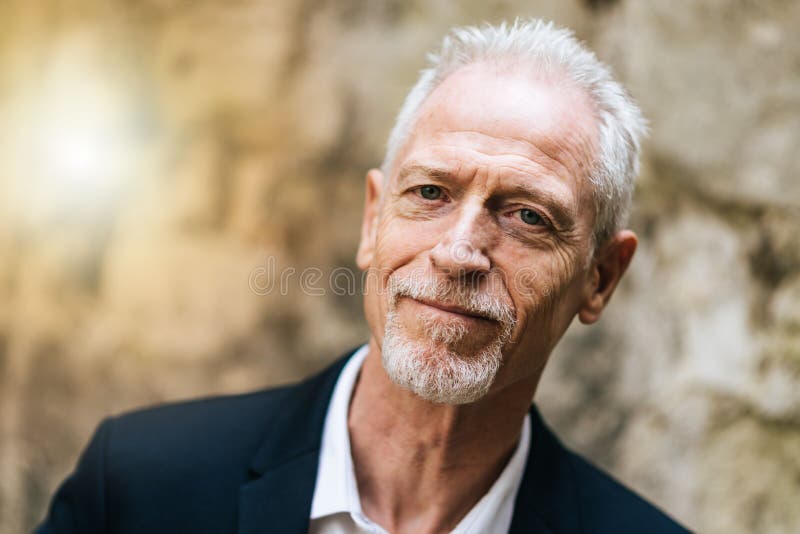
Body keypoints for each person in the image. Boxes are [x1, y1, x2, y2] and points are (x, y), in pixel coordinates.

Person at [36, 19, 690, 534]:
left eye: (526, 215)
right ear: (373, 218)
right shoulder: (136, 486)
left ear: (600, 278)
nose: (459, 253)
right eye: (431, 192)